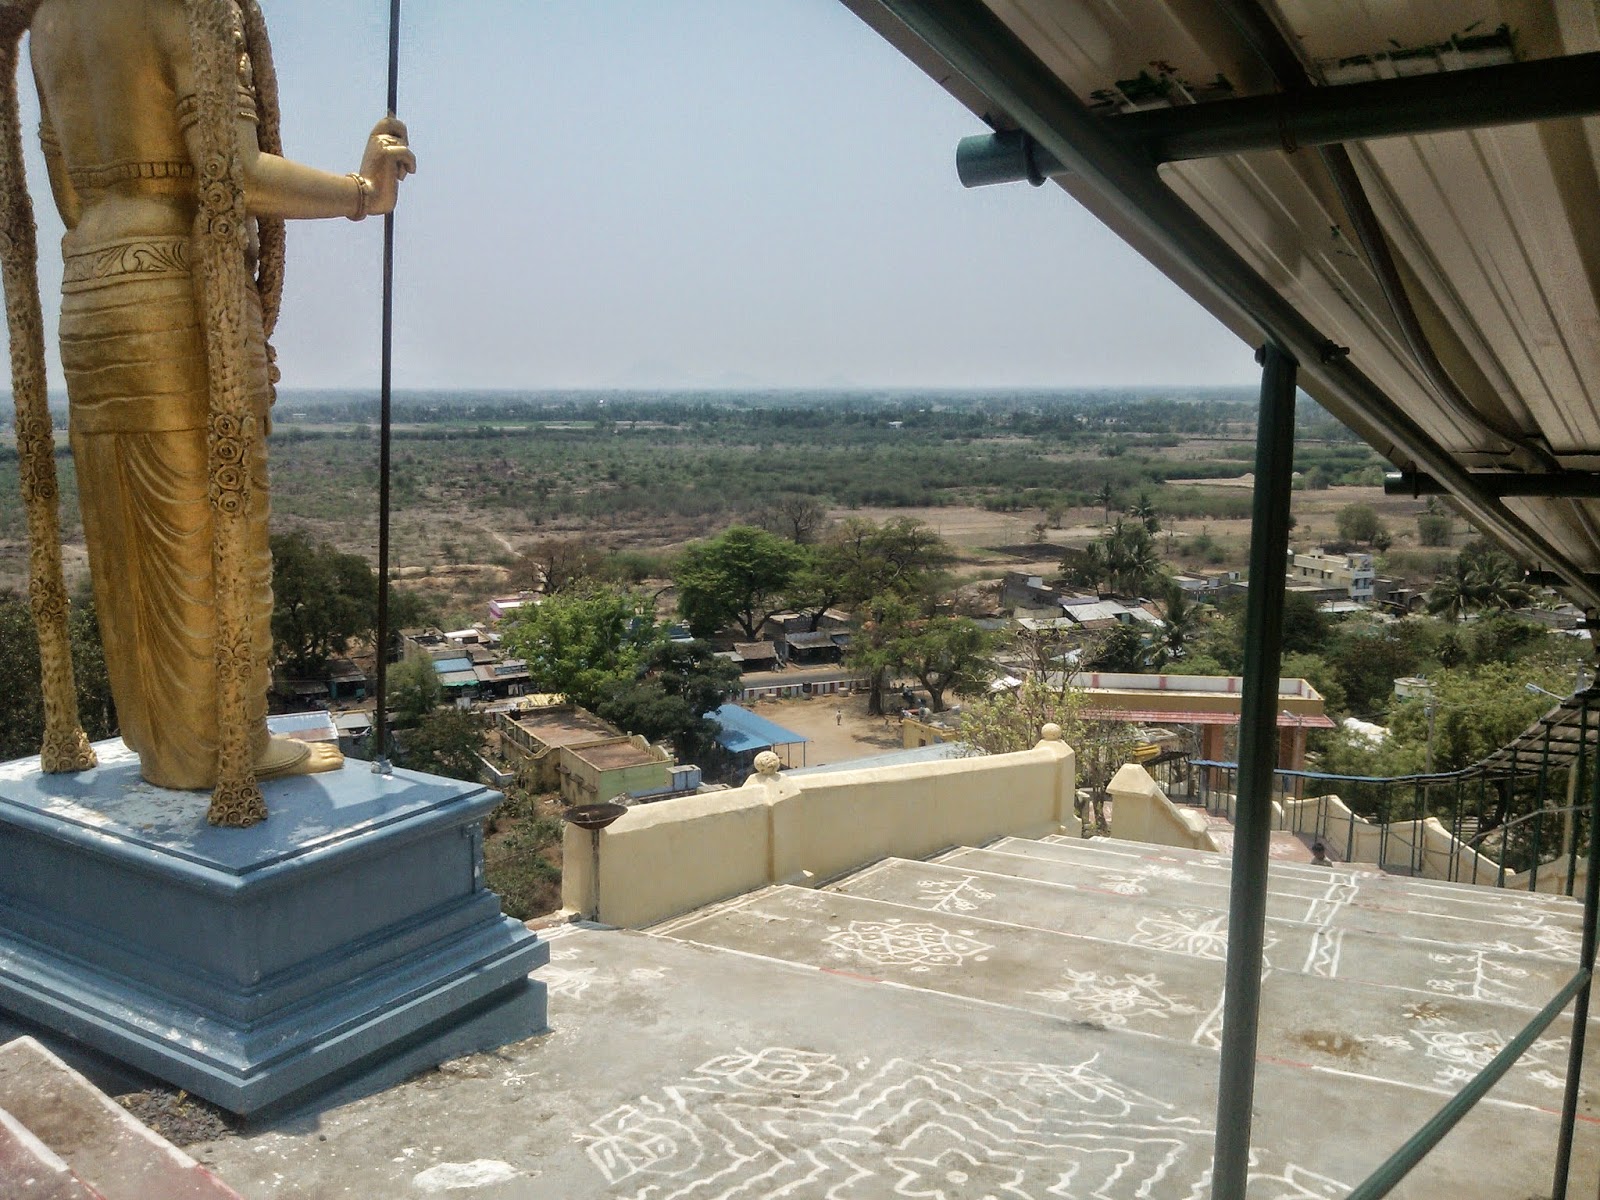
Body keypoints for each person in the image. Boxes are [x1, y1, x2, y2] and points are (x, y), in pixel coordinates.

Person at [7, 0, 414, 821]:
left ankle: (166, 740)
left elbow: (66, 191)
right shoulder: (186, 6)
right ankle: (220, 745)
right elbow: (233, 174)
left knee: (127, 537)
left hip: (91, 288)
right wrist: (362, 192)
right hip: (179, 297)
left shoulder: (48, 20)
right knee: (213, 532)